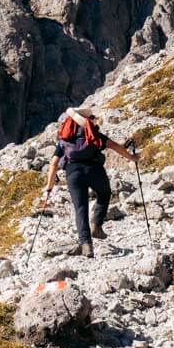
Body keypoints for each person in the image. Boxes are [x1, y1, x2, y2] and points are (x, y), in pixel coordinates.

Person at [42, 107, 138, 257]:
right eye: (91, 118)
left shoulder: (64, 140)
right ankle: (97, 224)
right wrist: (132, 158)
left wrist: (49, 187)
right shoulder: (93, 134)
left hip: (73, 174)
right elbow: (115, 146)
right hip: (95, 170)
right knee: (105, 193)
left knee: (81, 208)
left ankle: (86, 244)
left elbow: (54, 163)